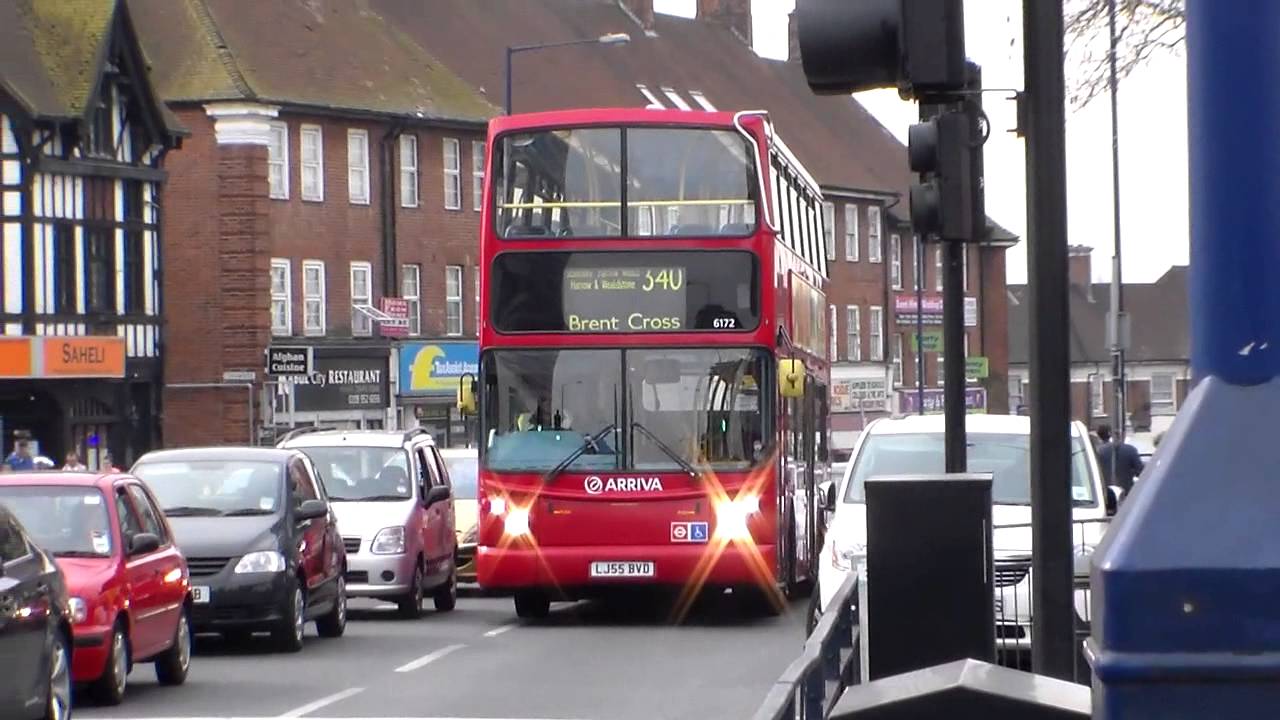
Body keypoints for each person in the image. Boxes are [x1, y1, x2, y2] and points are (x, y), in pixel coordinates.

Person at [1096, 423, 1145, 493]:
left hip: (1104, 492)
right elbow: (1140, 471)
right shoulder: (1130, 450)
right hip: (1126, 491)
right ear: (1123, 435)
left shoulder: (1098, 451)